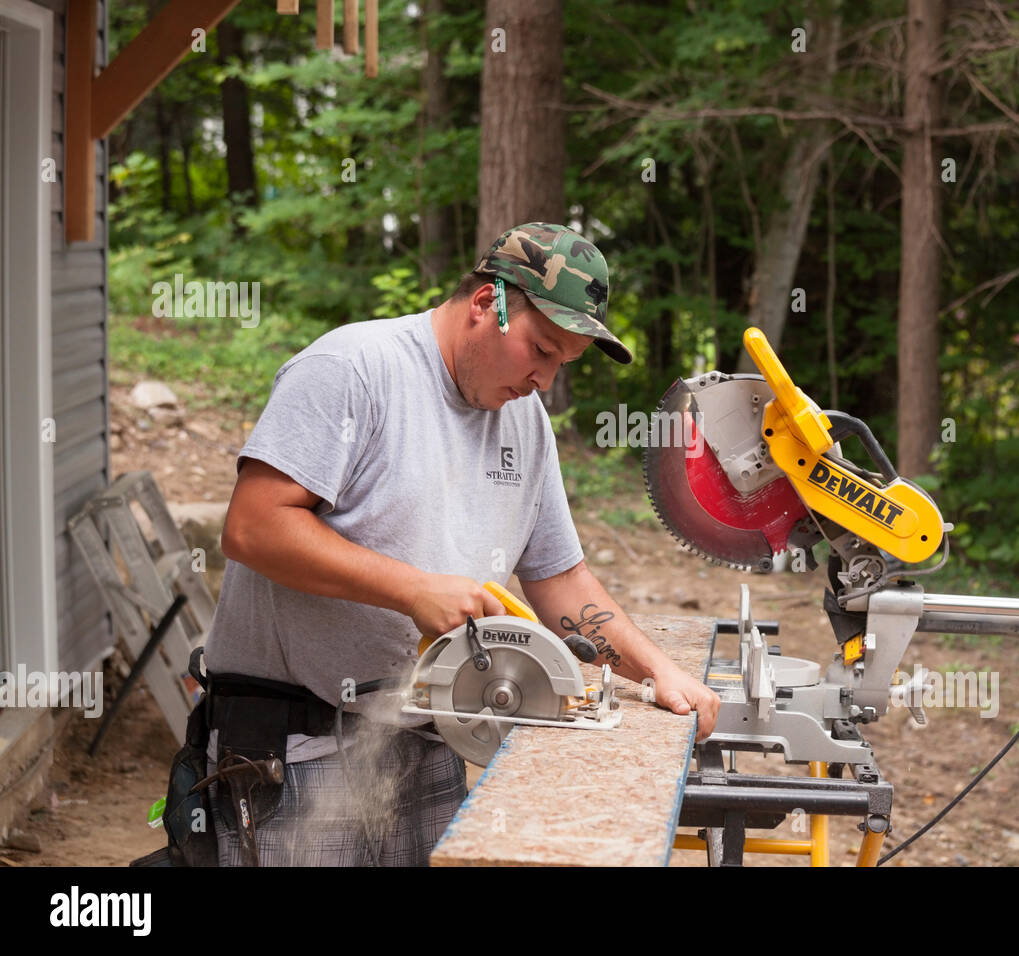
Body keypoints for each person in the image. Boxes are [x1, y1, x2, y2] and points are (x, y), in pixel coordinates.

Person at [197, 222, 720, 866]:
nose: (544, 380)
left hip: (431, 742)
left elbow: (560, 579)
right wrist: (412, 589)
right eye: (541, 349)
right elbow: (253, 526)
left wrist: (658, 671)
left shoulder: (524, 421)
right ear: (485, 304)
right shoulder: (353, 370)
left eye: (562, 364)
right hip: (293, 755)